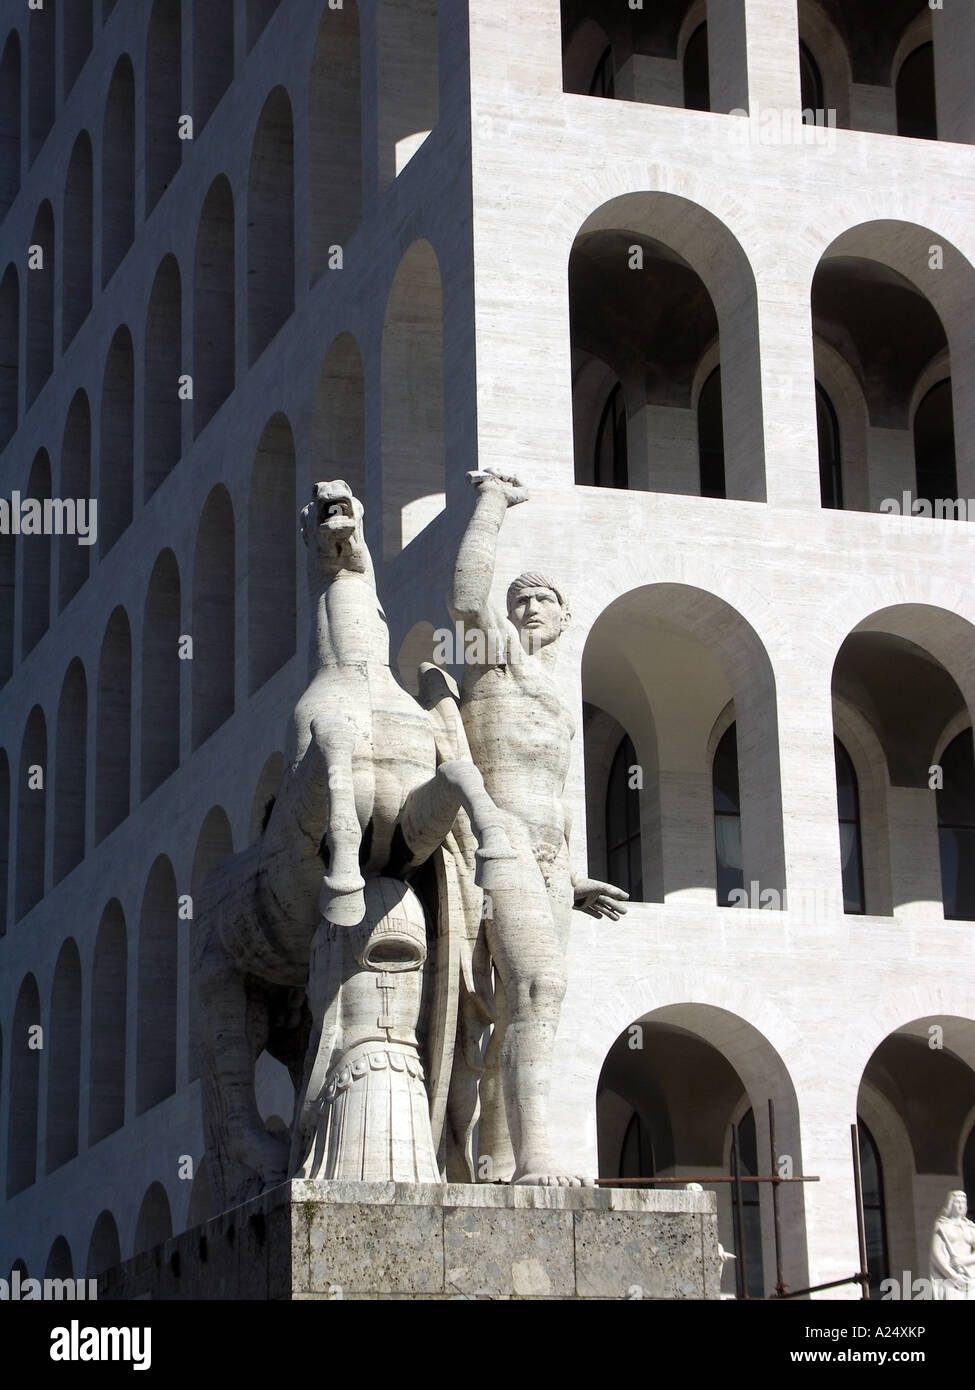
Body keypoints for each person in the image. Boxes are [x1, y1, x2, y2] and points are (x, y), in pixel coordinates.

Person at [449, 468, 627, 1185]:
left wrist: (575, 874)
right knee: (537, 988)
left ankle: (497, 1155)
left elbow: (553, 790)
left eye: (541, 599)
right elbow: (466, 596)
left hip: (549, 860)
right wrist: (493, 502)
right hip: (499, 845)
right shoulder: (495, 661)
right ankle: (538, 1155)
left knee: (524, 1011)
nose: (526, 606)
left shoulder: (554, 693)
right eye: (518, 598)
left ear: (563, 617)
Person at [930, 1189, 975, 1299]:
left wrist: (965, 1260)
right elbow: (936, 1255)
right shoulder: (942, 1226)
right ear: (950, 1204)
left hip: (971, 1276)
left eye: (963, 1202)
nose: (961, 1206)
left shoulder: (971, 1227)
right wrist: (953, 1277)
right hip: (950, 1279)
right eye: (957, 1202)